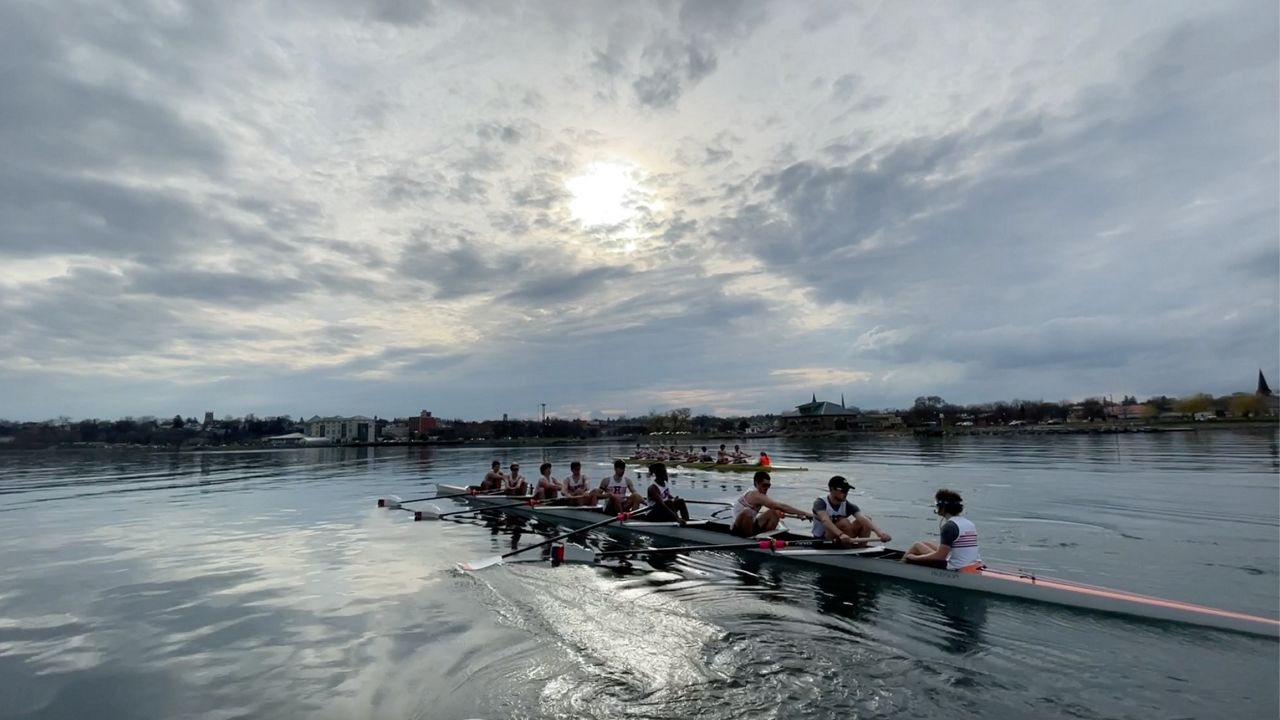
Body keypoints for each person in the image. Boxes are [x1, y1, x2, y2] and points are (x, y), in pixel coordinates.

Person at [903, 489, 981, 571]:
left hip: (956, 567)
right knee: (924, 543)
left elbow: (940, 557)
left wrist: (915, 558)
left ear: (943, 508)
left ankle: (901, 568)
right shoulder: (969, 523)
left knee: (916, 545)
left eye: (937, 506)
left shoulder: (949, 526)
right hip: (973, 564)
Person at [812, 476, 892, 546]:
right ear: (832, 489)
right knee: (844, 522)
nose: (846, 493)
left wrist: (880, 533)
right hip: (822, 540)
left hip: (841, 538)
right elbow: (825, 520)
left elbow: (863, 519)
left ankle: (860, 550)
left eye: (847, 490)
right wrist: (841, 534)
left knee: (866, 520)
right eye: (843, 490)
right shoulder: (820, 503)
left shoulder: (848, 505)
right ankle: (848, 548)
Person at [730, 471, 813, 536]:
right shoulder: (755, 494)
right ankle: (749, 540)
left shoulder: (760, 494)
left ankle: (764, 538)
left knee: (775, 512)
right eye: (764, 485)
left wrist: (796, 514)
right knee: (747, 512)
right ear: (756, 483)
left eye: (768, 485)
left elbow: (777, 507)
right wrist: (804, 513)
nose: (767, 488)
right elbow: (780, 505)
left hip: (750, 525)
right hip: (737, 528)